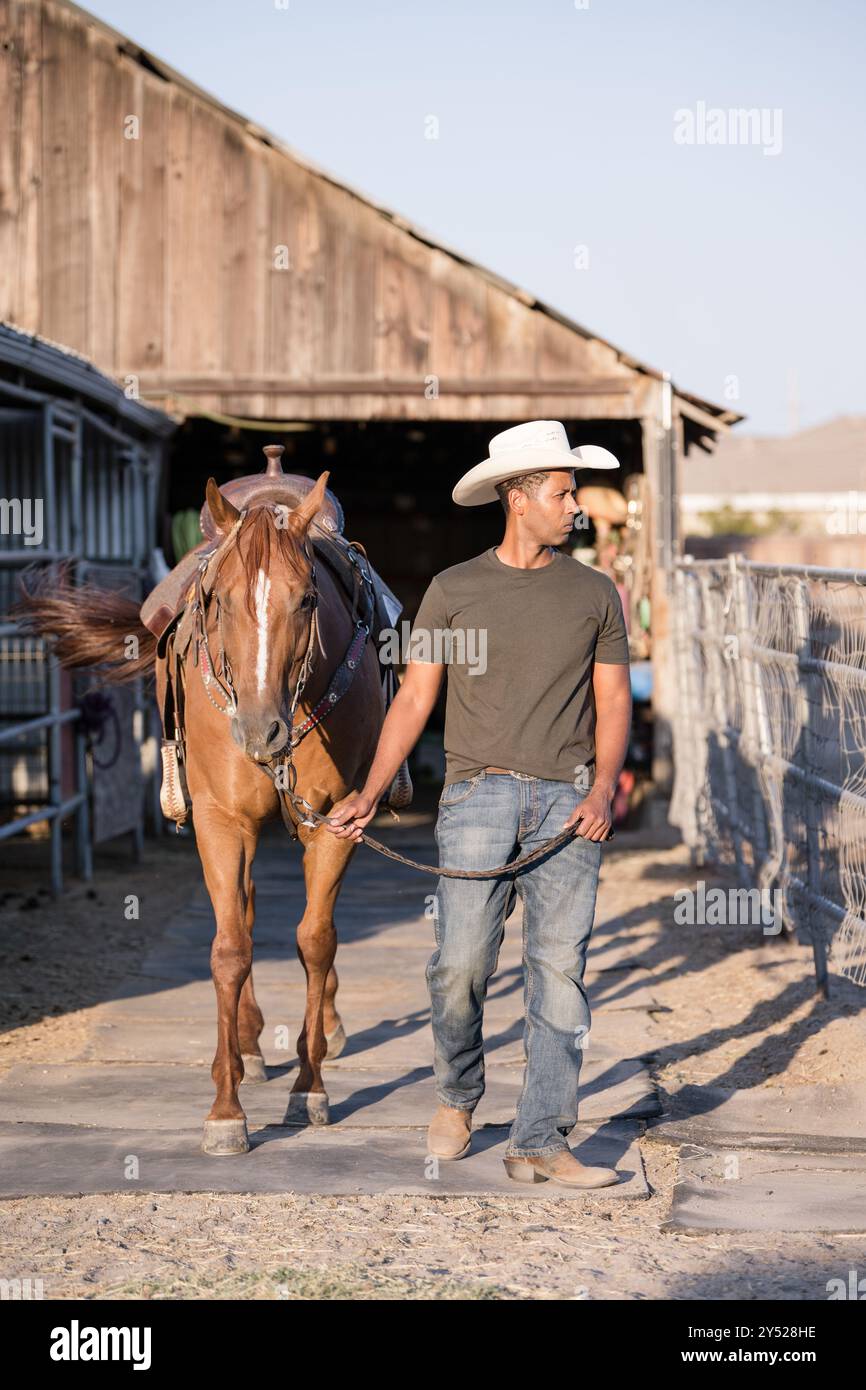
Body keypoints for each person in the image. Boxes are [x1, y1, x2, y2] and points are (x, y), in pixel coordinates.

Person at [325, 420, 632, 1188]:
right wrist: (367, 791)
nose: (575, 508)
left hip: (568, 804)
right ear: (520, 498)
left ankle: (542, 1139)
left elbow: (615, 699)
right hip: (475, 798)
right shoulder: (454, 591)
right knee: (458, 965)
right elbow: (414, 700)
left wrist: (602, 787)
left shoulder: (595, 593)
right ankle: (458, 1095)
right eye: (564, 494)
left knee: (559, 975)